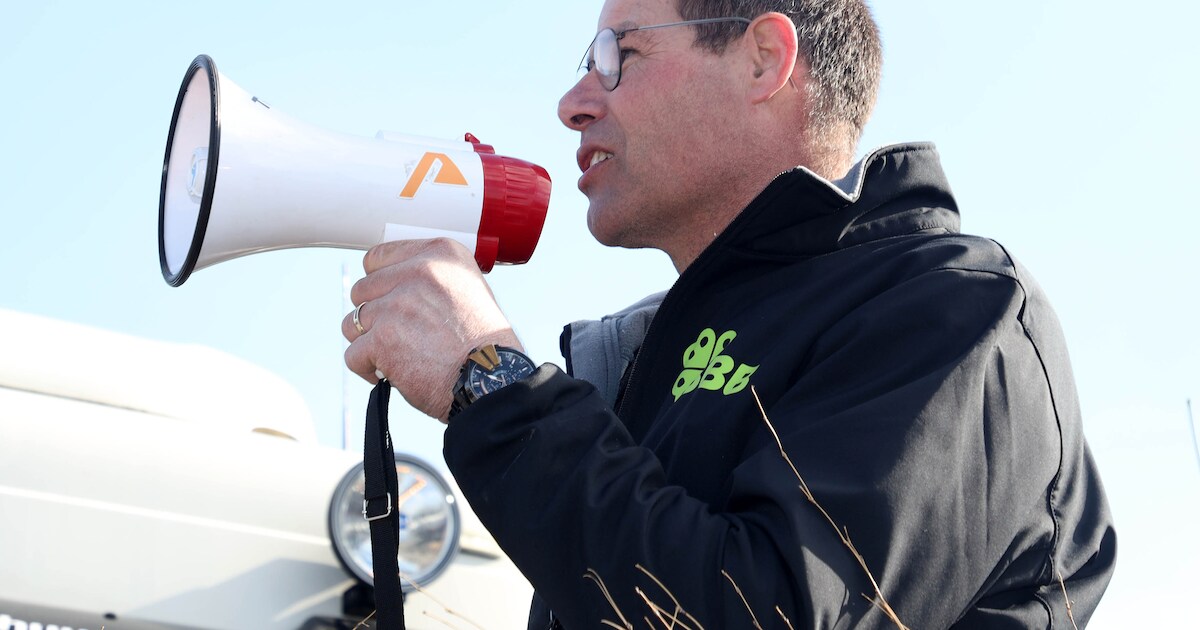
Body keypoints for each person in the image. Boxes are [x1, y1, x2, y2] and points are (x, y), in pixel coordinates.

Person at [343, 0, 1117, 627]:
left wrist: (494, 384)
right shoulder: (646, 353)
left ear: (764, 59)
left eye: (619, 56)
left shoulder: (956, 308)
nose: (573, 104)